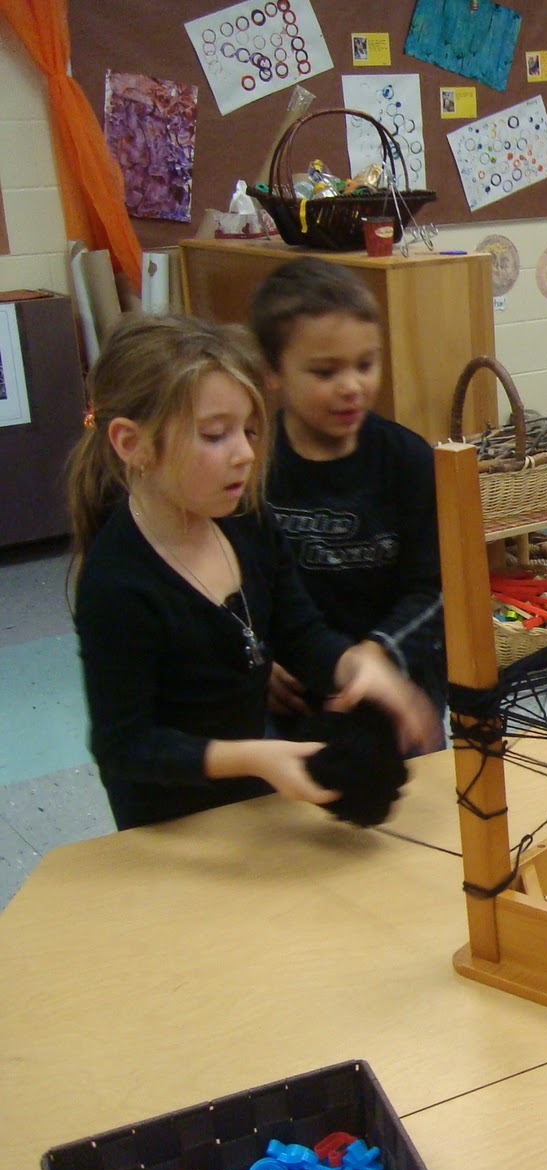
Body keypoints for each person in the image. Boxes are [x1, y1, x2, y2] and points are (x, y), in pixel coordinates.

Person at [68, 315, 438, 831]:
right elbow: (126, 746)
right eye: (215, 434)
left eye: (248, 430)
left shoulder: (247, 522)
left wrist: (357, 668)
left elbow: (301, 632)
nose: (244, 454)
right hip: (168, 822)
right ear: (133, 444)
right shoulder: (117, 584)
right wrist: (253, 757)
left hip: (250, 803)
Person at [249, 259, 447, 729]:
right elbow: (233, 585)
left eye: (365, 364)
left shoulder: (407, 460)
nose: (352, 387)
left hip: (399, 694)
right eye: (325, 372)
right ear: (273, 372)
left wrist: (374, 655)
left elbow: (437, 588)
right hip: (292, 699)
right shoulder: (251, 465)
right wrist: (256, 660)